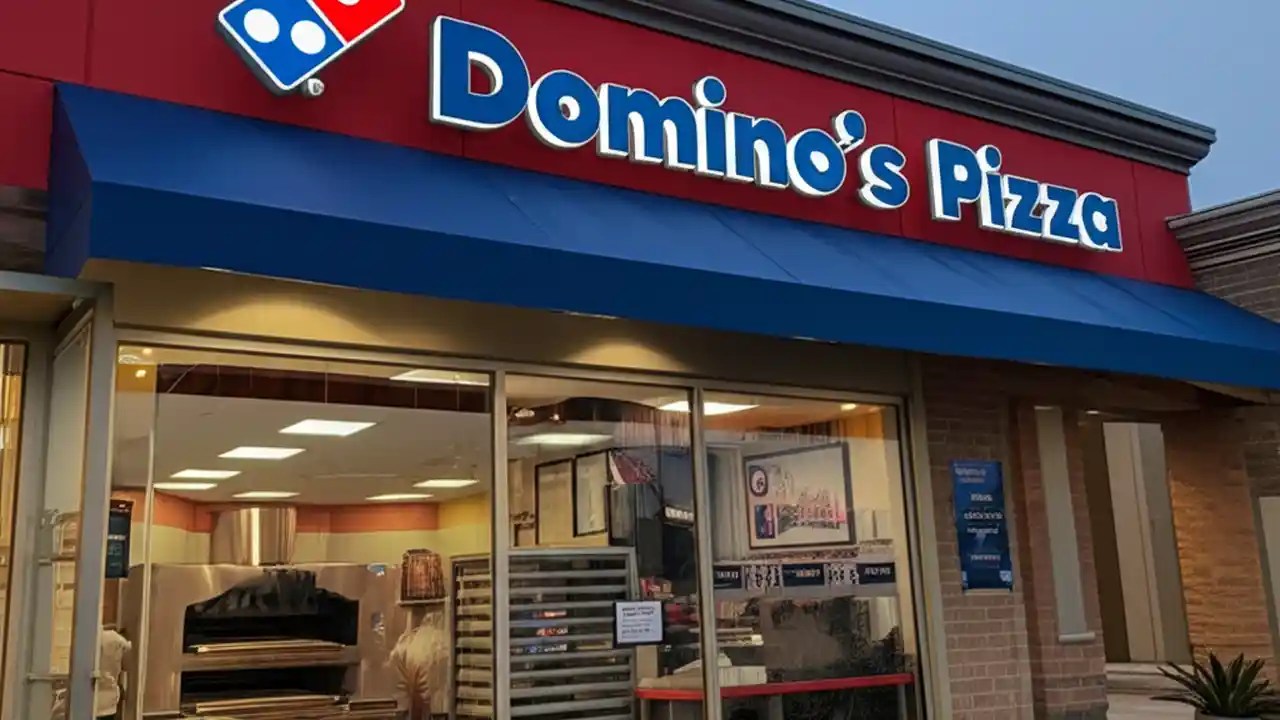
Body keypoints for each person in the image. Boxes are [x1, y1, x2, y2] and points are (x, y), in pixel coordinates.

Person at [96, 626, 132, 720]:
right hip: (108, 701)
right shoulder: (116, 639)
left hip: (94, 698)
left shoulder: (97, 639)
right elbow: (128, 647)